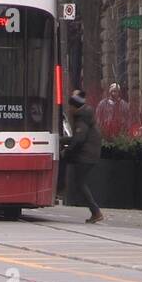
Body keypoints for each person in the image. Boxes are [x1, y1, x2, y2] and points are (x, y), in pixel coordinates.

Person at [61, 90, 104, 224]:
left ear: (75, 107)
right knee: (79, 182)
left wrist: (66, 151)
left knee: (80, 183)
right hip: (90, 153)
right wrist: (63, 140)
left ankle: (95, 211)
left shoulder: (81, 118)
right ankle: (95, 211)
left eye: (71, 106)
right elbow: (77, 138)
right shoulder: (85, 115)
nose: (70, 109)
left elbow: (79, 139)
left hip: (86, 155)